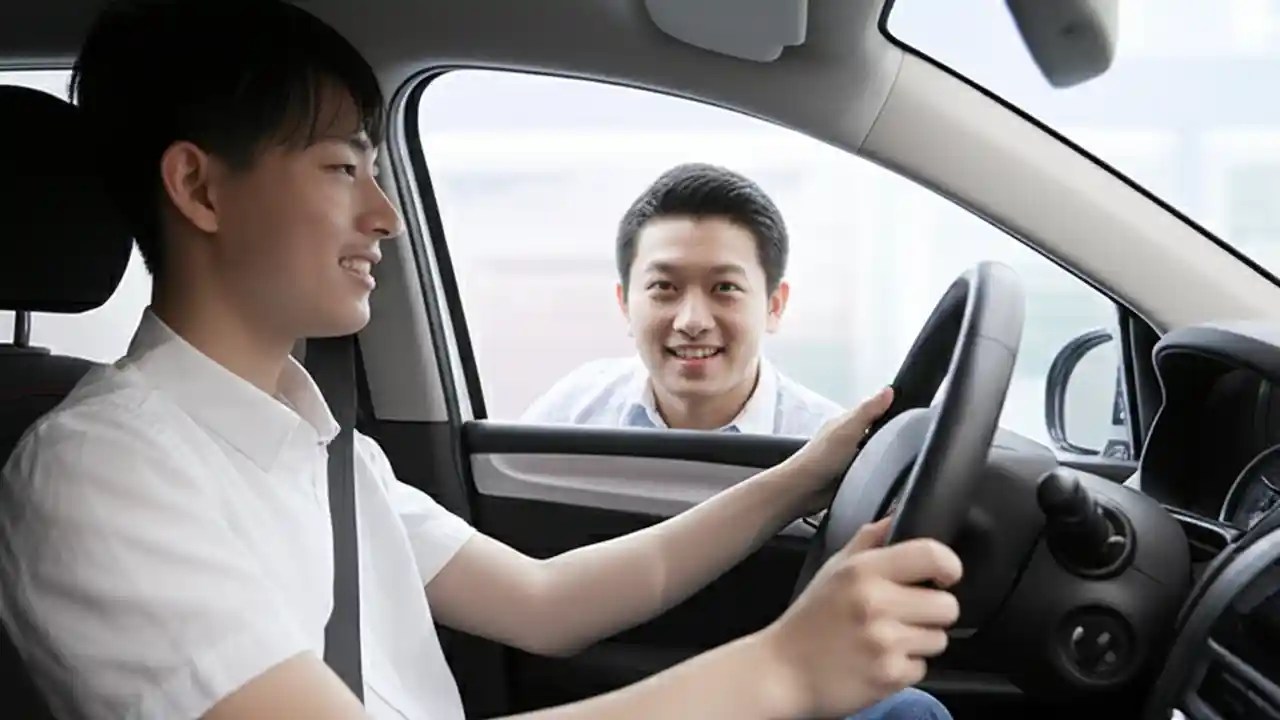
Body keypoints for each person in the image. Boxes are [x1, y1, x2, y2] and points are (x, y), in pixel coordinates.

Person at [0, 2, 960, 719]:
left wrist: (805, 475)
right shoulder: (100, 473)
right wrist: (780, 669)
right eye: (343, 169)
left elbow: (548, 603)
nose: (385, 216)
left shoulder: (326, 452)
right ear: (200, 188)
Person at [523, 163, 845, 436]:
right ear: (625, 304)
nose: (692, 321)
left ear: (774, 305)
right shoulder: (573, 415)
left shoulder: (830, 447)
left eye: (725, 288)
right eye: (664, 286)